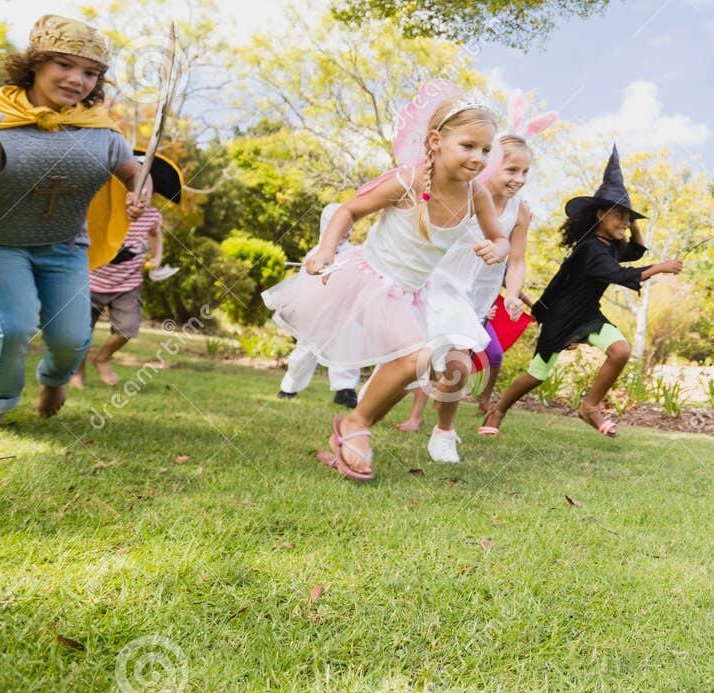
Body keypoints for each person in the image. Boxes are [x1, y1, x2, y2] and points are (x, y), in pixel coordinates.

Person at [260, 84, 509, 482]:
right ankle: (354, 424)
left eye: (485, 149)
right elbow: (349, 209)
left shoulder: (475, 194)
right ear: (436, 141)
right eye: (468, 145)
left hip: (412, 292)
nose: (478, 158)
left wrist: (498, 249)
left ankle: (353, 427)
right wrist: (327, 250)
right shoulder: (408, 182)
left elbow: (500, 236)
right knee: (414, 359)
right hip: (372, 281)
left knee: (419, 366)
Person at [0, 15, 152, 438]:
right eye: (64, 66)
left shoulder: (98, 126)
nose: (77, 80)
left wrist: (140, 190)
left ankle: (53, 381)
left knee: (71, 337)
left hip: (65, 247)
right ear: (36, 63)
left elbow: (134, 170)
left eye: (90, 73)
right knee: (12, 325)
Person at [481, 145, 681, 438]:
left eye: (628, 219)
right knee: (537, 375)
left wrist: (632, 220)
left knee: (620, 350)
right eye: (620, 217)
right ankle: (496, 411)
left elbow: (635, 252)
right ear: (600, 214)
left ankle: (589, 407)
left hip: (587, 315)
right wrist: (660, 267)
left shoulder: (609, 245)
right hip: (561, 318)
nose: (625, 225)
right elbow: (619, 274)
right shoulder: (591, 250)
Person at [398, 131, 536, 463]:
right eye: (511, 170)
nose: (518, 180)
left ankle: (443, 431)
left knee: (456, 362)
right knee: (420, 361)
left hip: (478, 296)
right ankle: (368, 415)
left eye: (525, 173)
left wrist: (513, 296)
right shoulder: (467, 193)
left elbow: (516, 261)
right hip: (441, 283)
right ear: (491, 167)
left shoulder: (520, 211)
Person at [70, 199, 163, 387]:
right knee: (81, 331)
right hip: (92, 280)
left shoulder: (151, 215)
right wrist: (111, 252)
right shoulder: (103, 207)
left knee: (128, 327)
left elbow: (155, 233)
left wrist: (157, 257)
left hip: (128, 284)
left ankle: (102, 358)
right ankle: (78, 373)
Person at [275, 205, 362, 406]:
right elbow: (305, 287)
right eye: (340, 226)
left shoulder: (355, 254)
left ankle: (345, 389)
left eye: (349, 227)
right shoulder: (316, 253)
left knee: (346, 349)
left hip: (343, 313)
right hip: (317, 314)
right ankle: (289, 387)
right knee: (305, 350)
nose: (346, 231)